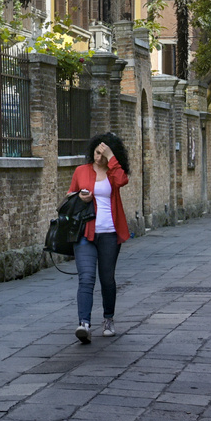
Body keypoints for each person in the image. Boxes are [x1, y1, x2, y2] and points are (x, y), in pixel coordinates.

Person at [69, 132, 131, 343]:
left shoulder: (114, 172)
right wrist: (79, 197)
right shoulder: (81, 171)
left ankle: (108, 319)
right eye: (96, 152)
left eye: (103, 154)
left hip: (109, 234)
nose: (98, 158)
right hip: (85, 233)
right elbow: (68, 198)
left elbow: (122, 180)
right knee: (86, 278)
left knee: (107, 279)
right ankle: (84, 324)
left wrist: (111, 157)